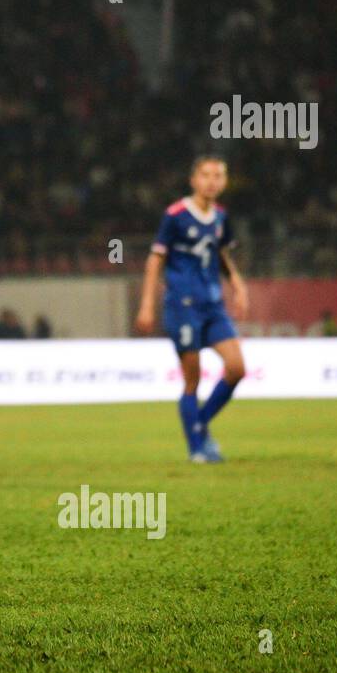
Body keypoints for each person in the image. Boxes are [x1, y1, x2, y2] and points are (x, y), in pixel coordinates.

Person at [134, 154, 248, 463]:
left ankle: (199, 424)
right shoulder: (175, 216)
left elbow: (222, 255)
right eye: (206, 175)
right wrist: (147, 304)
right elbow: (155, 259)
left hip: (213, 305)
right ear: (193, 180)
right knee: (192, 379)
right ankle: (197, 447)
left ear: (224, 182)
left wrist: (236, 283)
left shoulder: (221, 218)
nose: (212, 181)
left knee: (237, 368)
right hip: (183, 306)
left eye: (218, 176)